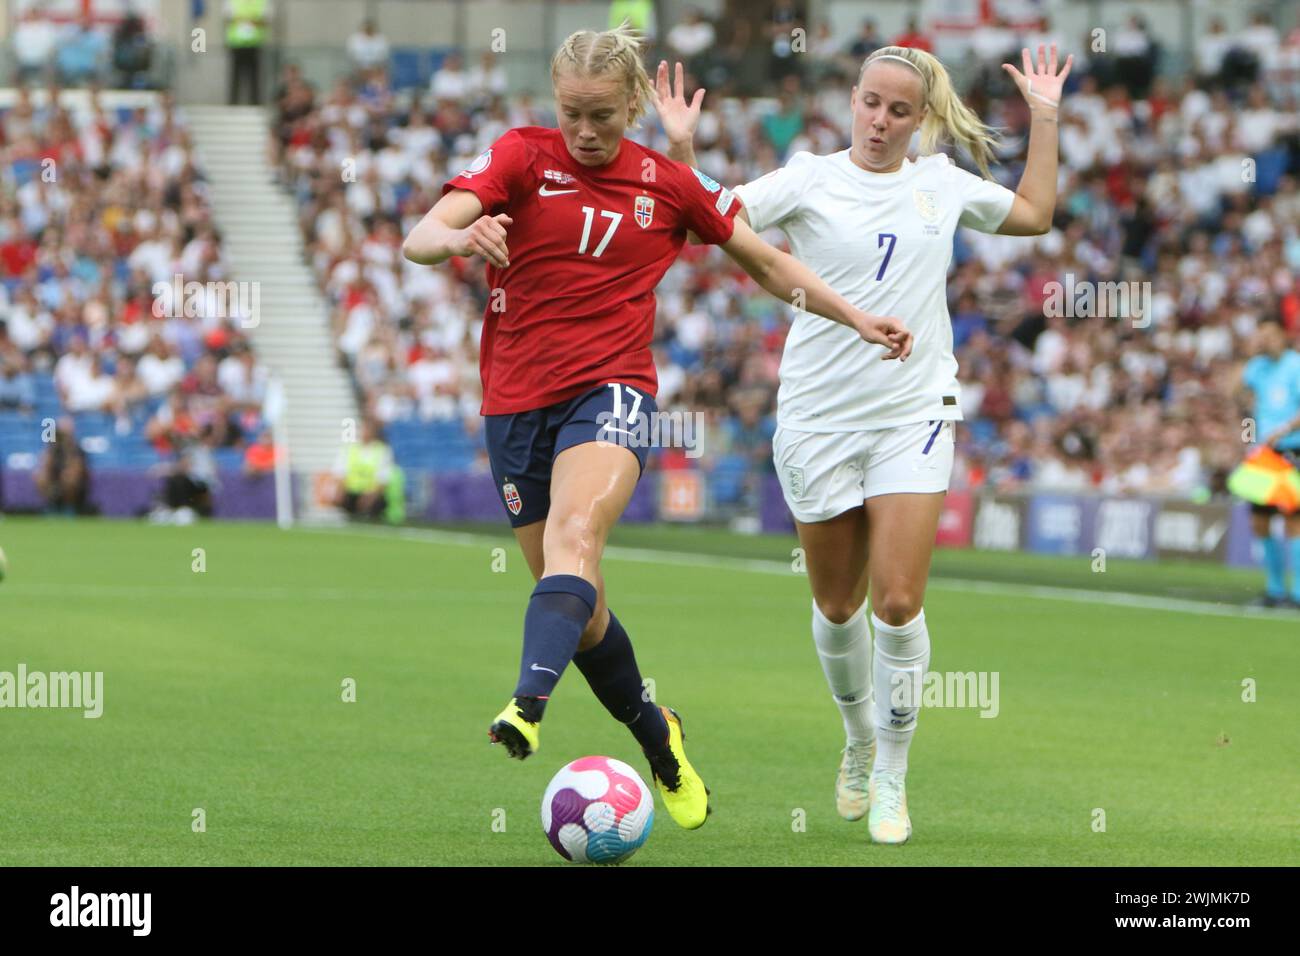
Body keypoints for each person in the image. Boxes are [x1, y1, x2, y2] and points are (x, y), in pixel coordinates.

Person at [402, 24, 912, 832]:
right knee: (577, 599)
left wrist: (857, 318)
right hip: (513, 407)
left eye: (601, 114)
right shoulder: (521, 157)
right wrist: (460, 236)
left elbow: (771, 263)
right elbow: (420, 234)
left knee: (577, 539)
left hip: (613, 394)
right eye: (572, 112)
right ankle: (656, 733)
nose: (584, 130)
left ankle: (527, 706)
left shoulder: (668, 184)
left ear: (632, 103)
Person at [657, 43, 1070, 843]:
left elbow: (1034, 215)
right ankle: (855, 737)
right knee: (838, 605)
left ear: (922, 121)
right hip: (817, 418)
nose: (881, 121)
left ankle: (891, 772)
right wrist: (681, 148)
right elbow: (710, 222)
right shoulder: (809, 177)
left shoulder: (940, 185)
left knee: (899, 601)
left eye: (900, 110)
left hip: (913, 410)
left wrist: (1045, 119)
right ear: (851, 100)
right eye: (870, 104)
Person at [1240, 321, 1300, 608]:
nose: (1264, 339)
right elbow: (1234, 390)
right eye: (1260, 334)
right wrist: (1248, 354)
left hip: (1292, 450)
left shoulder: (1294, 365)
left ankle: (1299, 593)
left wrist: (1286, 428)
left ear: (1281, 336)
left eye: (1269, 334)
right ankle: (1275, 590)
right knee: (1260, 521)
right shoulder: (1257, 367)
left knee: (1294, 521)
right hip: (1264, 454)